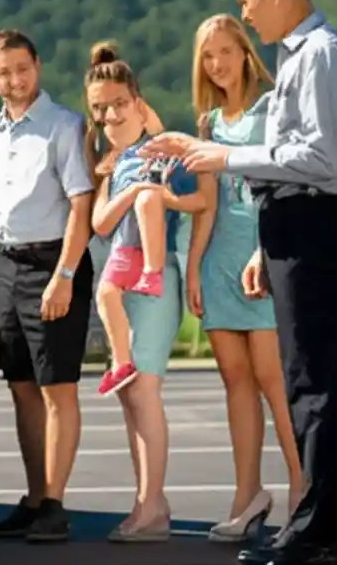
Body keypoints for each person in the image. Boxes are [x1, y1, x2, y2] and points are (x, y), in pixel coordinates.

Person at [139, 0, 337, 565]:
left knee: (313, 383)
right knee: (331, 379)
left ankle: (320, 525)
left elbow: (321, 158)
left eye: (247, 4)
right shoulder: (300, 55)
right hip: (293, 223)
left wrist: (224, 156)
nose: (245, 17)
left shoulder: (321, 55)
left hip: (313, 222)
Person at [82, 41, 215, 543]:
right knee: (129, 399)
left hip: (157, 284)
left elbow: (204, 200)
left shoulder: (166, 150)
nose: (110, 114)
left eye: (119, 103)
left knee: (145, 393)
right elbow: (98, 224)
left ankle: (152, 507)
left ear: (138, 101)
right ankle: (147, 501)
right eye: (100, 109)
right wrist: (128, 190)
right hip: (121, 278)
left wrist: (159, 194)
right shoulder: (113, 163)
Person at [184, 14, 305, 543]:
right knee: (235, 383)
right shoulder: (208, 122)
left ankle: (304, 492)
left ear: (244, 51)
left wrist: (263, 249)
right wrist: (193, 267)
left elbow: (280, 185)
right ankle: (247, 495)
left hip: (265, 255)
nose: (216, 64)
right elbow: (206, 207)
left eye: (225, 52)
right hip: (218, 262)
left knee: (275, 383)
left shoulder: (271, 106)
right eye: (208, 57)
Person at [0, 28, 96, 543]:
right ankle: (32, 498)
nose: (14, 79)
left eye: (22, 68)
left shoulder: (63, 126)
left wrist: (64, 276)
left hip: (55, 264)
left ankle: (55, 503)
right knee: (22, 387)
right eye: (3, 72)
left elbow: (81, 207)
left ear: (38, 67)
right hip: (7, 265)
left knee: (57, 389)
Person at [95, 99, 171, 397]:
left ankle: (121, 362)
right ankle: (121, 360)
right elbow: (101, 223)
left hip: (129, 248)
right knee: (107, 295)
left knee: (106, 294)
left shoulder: (148, 156)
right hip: (128, 246)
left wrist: (136, 104)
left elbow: (157, 132)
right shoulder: (113, 171)